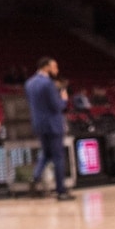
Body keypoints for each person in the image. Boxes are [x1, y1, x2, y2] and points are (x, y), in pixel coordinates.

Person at [24, 57, 73, 200]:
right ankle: (61, 191)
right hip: (53, 124)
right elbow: (56, 106)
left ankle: (34, 178)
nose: (56, 70)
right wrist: (63, 99)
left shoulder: (29, 83)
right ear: (46, 67)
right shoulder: (48, 83)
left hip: (39, 124)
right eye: (54, 67)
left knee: (46, 154)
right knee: (58, 157)